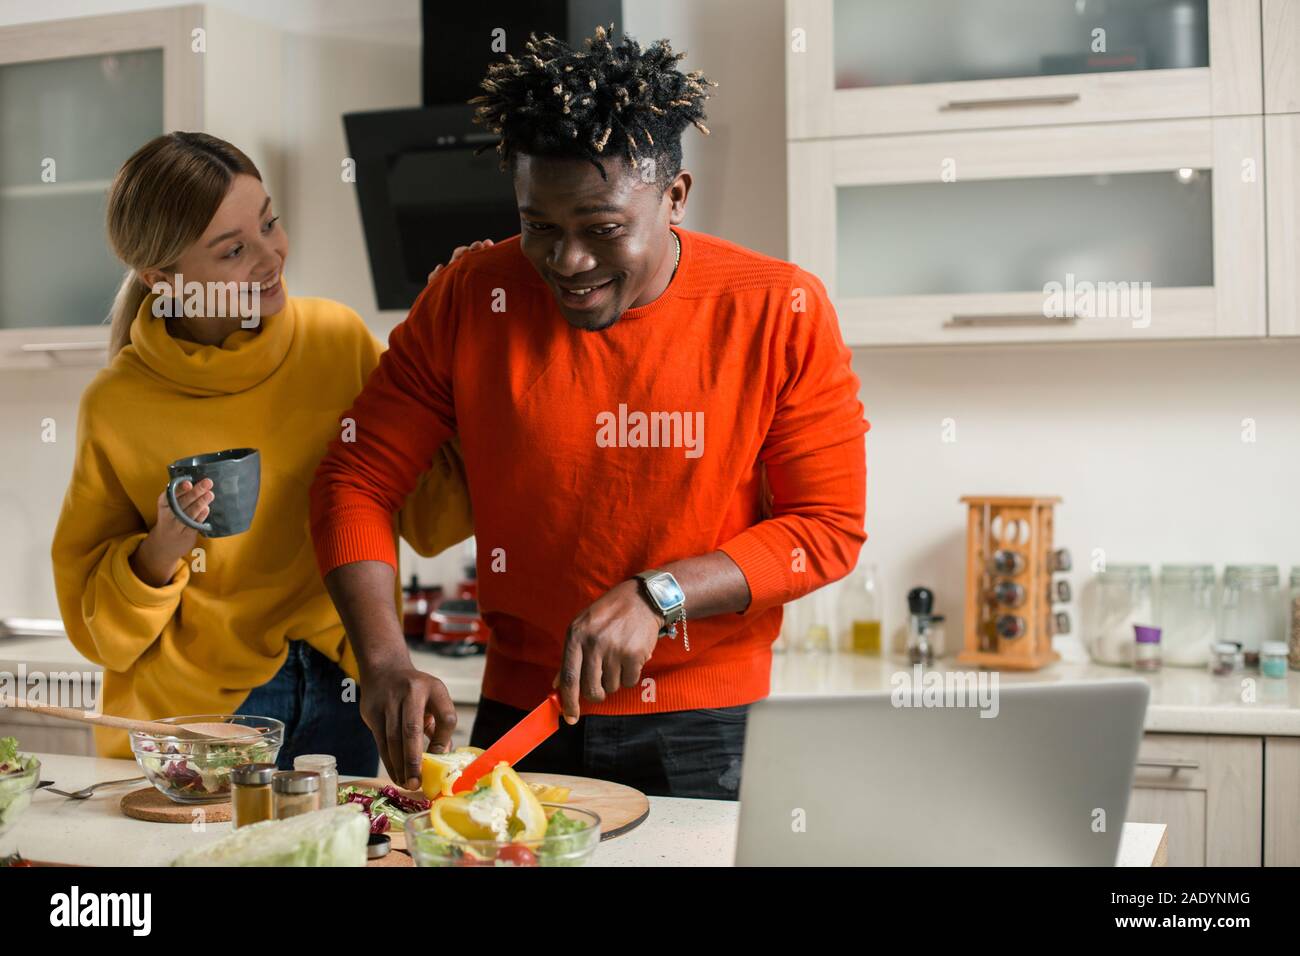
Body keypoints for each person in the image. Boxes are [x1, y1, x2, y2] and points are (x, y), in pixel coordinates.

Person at [310, 27, 869, 798]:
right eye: (539, 225)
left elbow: (826, 528)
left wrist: (660, 594)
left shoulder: (779, 308)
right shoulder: (471, 295)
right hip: (522, 712)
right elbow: (355, 478)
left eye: (602, 229)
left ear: (674, 197)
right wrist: (383, 662)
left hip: (708, 722)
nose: (566, 263)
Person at [51, 132, 475, 773]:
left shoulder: (338, 343)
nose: (270, 256)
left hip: (345, 682)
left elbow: (431, 519)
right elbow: (101, 635)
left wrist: (457, 351)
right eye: (232, 250)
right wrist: (162, 548)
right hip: (201, 717)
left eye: (269, 223)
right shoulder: (117, 402)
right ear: (162, 279)